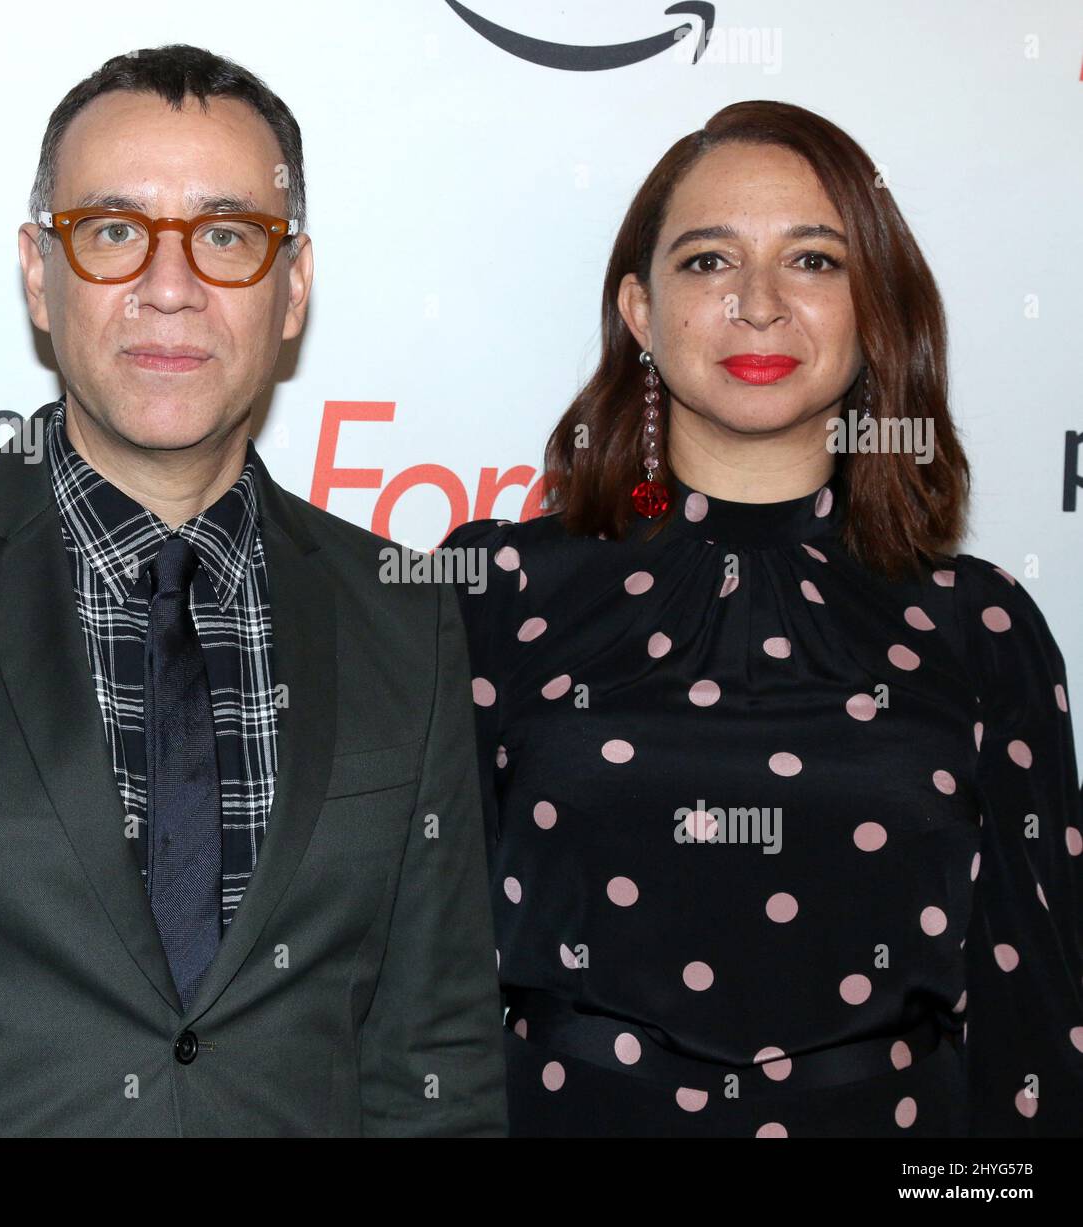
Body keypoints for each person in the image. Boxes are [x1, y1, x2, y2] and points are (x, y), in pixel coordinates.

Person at [0, 44, 506, 1137]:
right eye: (114, 232)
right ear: (41, 272)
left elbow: (433, 1048)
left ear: (292, 285)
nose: (169, 290)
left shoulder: (405, 612)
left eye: (226, 235)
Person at [443, 99, 1083, 1137]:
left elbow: (1034, 1002)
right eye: (705, 262)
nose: (756, 305)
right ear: (641, 316)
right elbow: (411, 964)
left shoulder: (981, 627)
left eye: (814, 262)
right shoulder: (492, 588)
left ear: (875, 311)